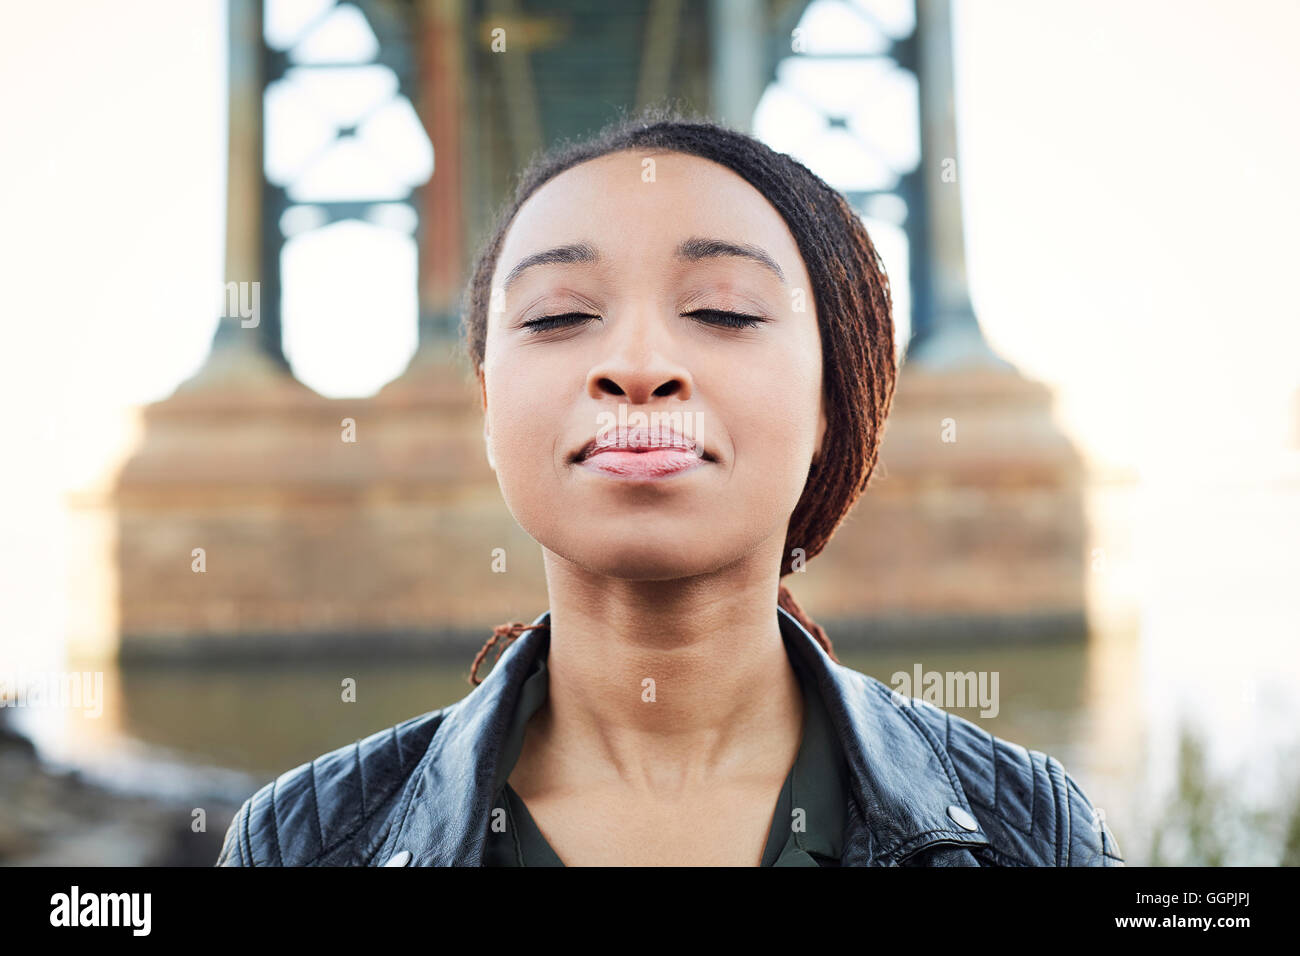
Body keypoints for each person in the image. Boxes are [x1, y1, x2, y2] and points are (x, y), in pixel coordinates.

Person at [217, 106, 1123, 867]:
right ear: (490, 411)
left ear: (831, 404)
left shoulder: (1034, 832)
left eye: (722, 309)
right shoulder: (299, 841)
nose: (638, 365)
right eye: (559, 315)